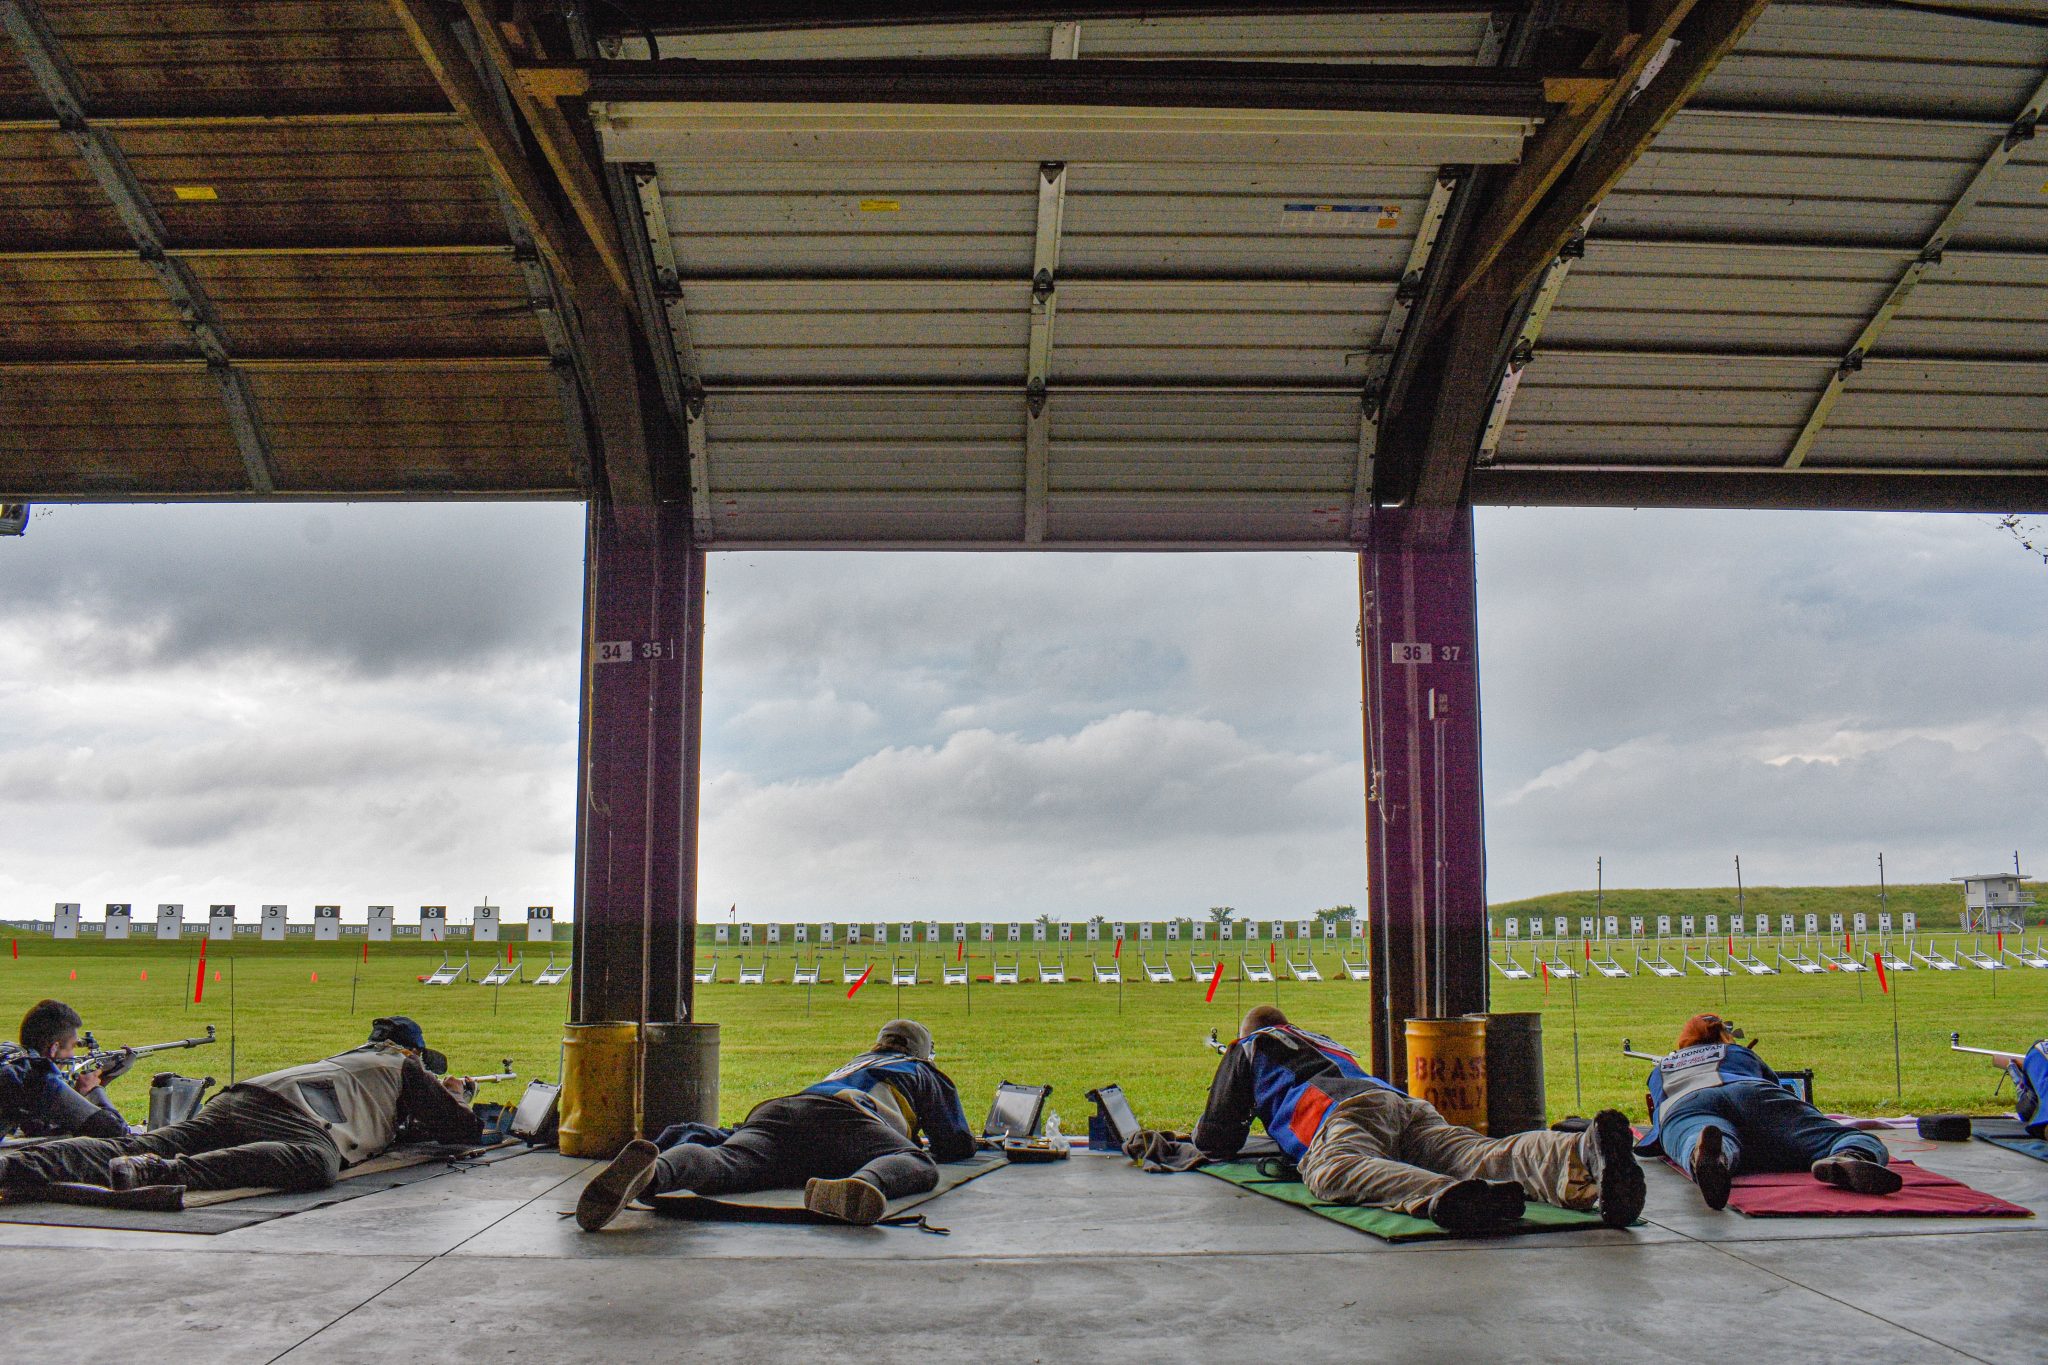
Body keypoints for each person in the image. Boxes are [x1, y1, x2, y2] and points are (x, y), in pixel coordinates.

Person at [1193, 1005, 1644, 1234]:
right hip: (1400, 1104)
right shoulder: (1325, 1042)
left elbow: (1215, 1138)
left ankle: (1448, 1196)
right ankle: (1581, 1153)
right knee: (1479, 1153)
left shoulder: (1251, 1046)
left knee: (1332, 1170)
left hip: (1340, 1114)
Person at [0, 1016, 482, 1198]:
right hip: (295, 1117)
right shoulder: (403, 1065)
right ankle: (159, 1172)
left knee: (144, 1138)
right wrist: (457, 1094)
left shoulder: (356, 1059)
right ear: (412, 1051)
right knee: (316, 1161)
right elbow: (461, 1131)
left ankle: (21, 1165)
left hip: (240, 1099)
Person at [578, 1018, 975, 1231]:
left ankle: (655, 1171)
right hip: (846, 1121)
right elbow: (955, 1142)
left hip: (779, 1111)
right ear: (925, 1053)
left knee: (725, 1162)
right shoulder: (919, 1068)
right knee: (918, 1164)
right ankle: (861, 1187)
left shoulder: (853, 1063)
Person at [1635, 1013, 1900, 1209]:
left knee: (1694, 1136)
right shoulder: (1739, 1053)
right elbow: (1777, 1087)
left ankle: (1711, 1157)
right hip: (1751, 1091)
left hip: (1687, 1103)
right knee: (1840, 1136)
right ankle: (1848, 1155)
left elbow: (1658, 1111)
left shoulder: (1661, 1069)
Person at [0, 999, 131, 1139]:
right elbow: (116, 1131)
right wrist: (93, 1090)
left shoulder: (8, 1056)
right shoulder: (34, 1074)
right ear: (54, 1048)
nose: (72, 1055)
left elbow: (36, 1126)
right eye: (72, 1046)